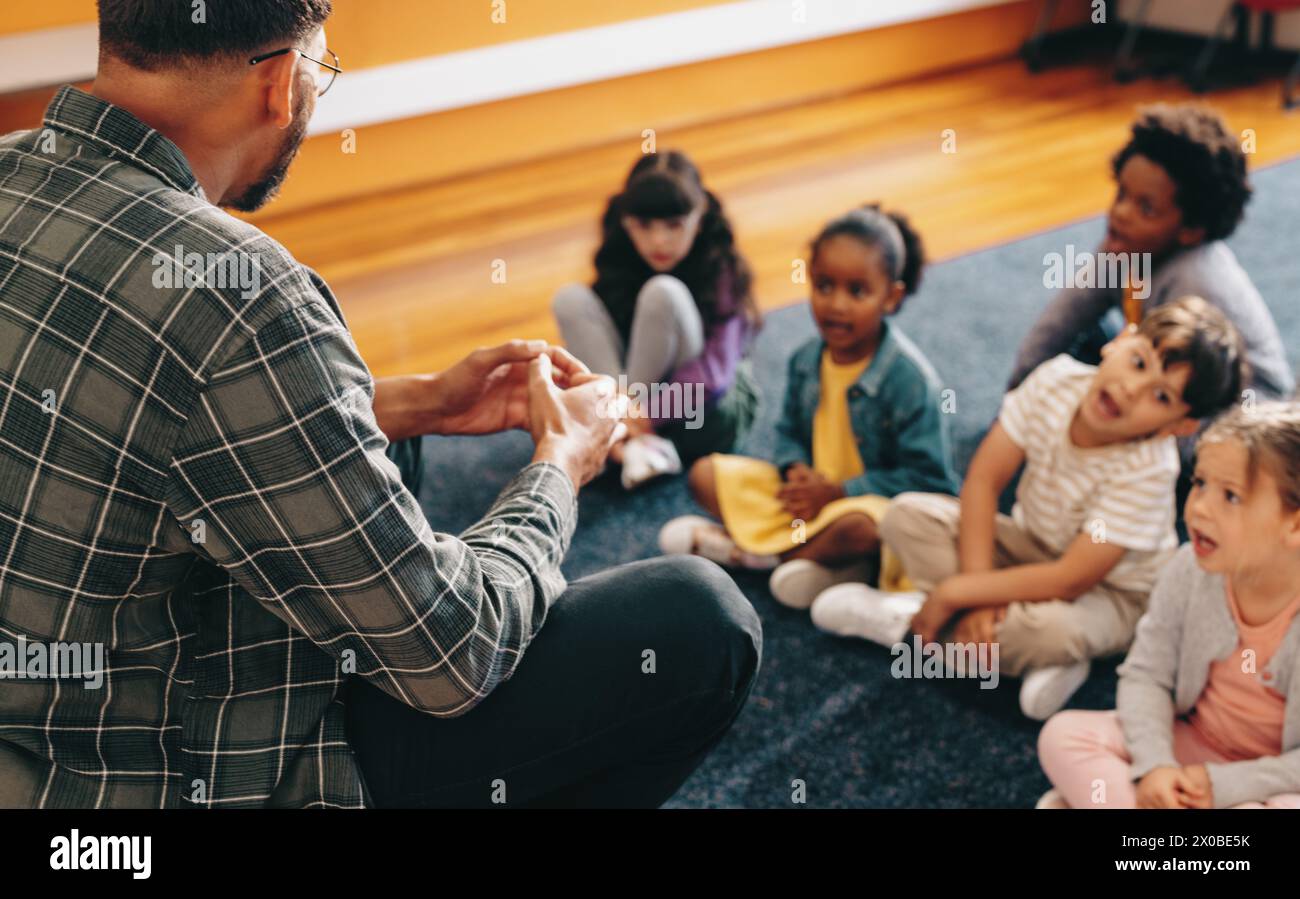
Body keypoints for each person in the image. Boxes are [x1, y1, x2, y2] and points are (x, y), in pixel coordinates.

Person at [0, 0, 760, 809]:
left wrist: (417, 402)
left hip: (41, 741)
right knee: (703, 621)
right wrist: (559, 465)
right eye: (321, 72)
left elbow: (139, 416)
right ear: (283, 84)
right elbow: (454, 654)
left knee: (386, 447)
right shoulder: (245, 300)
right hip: (176, 773)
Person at [814, 297, 1247, 720]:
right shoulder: (1055, 380)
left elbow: (1070, 578)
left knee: (1048, 631)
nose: (1131, 390)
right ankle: (1003, 653)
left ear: (1177, 427)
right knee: (906, 516)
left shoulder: (1149, 471)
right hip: (1030, 544)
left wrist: (955, 592)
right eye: (1138, 363)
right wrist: (978, 590)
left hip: (1108, 593)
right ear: (1120, 341)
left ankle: (906, 625)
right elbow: (984, 482)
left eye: (1161, 397)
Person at [659, 205, 957, 610]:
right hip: (808, 502)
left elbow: (931, 483)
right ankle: (822, 564)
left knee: (863, 527)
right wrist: (793, 468)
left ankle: (755, 554)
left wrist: (840, 492)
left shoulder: (911, 381)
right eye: (824, 285)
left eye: (857, 291)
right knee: (705, 475)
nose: (835, 304)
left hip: (861, 507)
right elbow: (788, 431)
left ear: (891, 297)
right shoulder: (805, 360)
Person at [1038, 403, 1300, 809]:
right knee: (1064, 735)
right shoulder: (1189, 570)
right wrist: (1155, 766)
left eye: (1230, 496)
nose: (1198, 508)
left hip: (1265, 783)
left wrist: (1224, 785)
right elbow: (1147, 675)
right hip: (1186, 748)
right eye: (1199, 483)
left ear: (1295, 525)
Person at [1009, 103, 1292, 401]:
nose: (1119, 212)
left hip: (1236, 403)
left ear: (1192, 230)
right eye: (1121, 193)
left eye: (1146, 208)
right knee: (1079, 346)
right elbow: (1060, 322)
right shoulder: (1123, 244)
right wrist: (1015, 400)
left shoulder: (1193, 286)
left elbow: (1174, 397)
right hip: (1153, 353)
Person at [552, 150, 762, 489]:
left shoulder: (722, 268)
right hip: (641, 395)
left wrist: (644, 415)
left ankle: (619, 434)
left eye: (674, 225)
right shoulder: (620, 258)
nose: (659, 240)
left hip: (702, 411)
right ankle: (628, 439)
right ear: (625, 221)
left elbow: (713, 376)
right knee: (569, 299)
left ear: (701, 215)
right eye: (644, 226)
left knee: (663, 292)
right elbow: (604, 348)